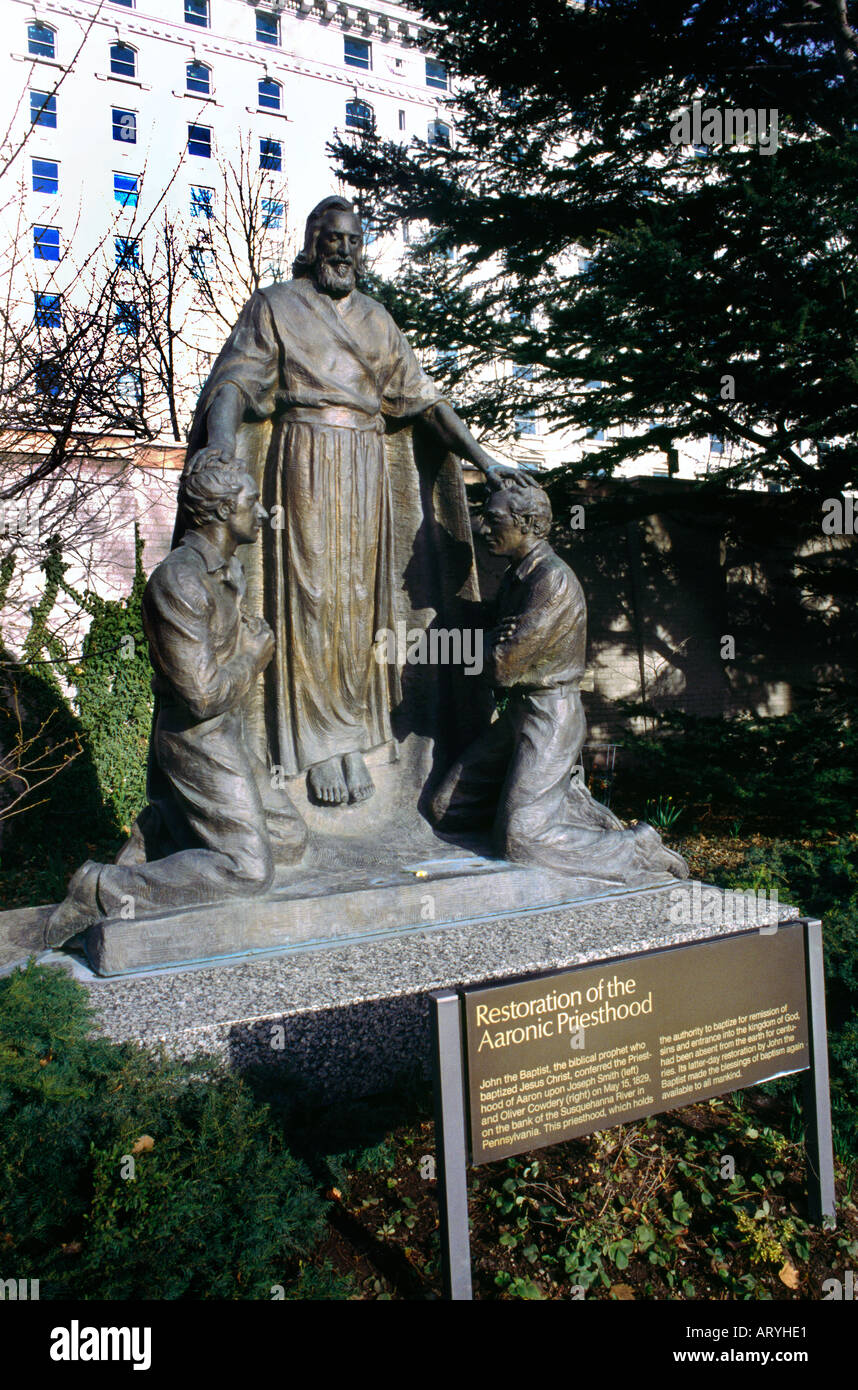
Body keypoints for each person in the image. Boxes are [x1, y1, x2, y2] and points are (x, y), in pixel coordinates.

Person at [183, 195, 520, 808]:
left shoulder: (377, 318)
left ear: (361, 250)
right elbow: (234, 380)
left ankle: (356, 736)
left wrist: (486, 460)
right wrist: (224, 448)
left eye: (352, 240)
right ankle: (316, 747)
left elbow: (423, 400)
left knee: (360, 598)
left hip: (365, 463)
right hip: (305, 457)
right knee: (311, 595)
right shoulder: (275, 306)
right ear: (312, 244)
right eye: (330, 238)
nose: (341, 249)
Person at [45, 462, 307, 946]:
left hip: (228, 733)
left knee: (289, 839)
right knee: (249, 871)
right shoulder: (179, 582)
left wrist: (246, 648)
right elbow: (202, 694)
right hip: (195, 739)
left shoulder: (228, 569)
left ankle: (161, 834)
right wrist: (252, 658)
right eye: (252, 502)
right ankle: (101, 887)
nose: (263, 513)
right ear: (224, 510)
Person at [430, 481, 688, 884]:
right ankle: (565, 806)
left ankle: (634, 845)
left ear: (529, 524)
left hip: (551, 717)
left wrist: (490, 645)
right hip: (519, 714)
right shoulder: (520, 575)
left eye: (493, 519)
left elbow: (502, 668)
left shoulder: (550, 581)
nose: (483, 528)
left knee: (520, 841)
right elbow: (491, 629)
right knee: (449, 807)